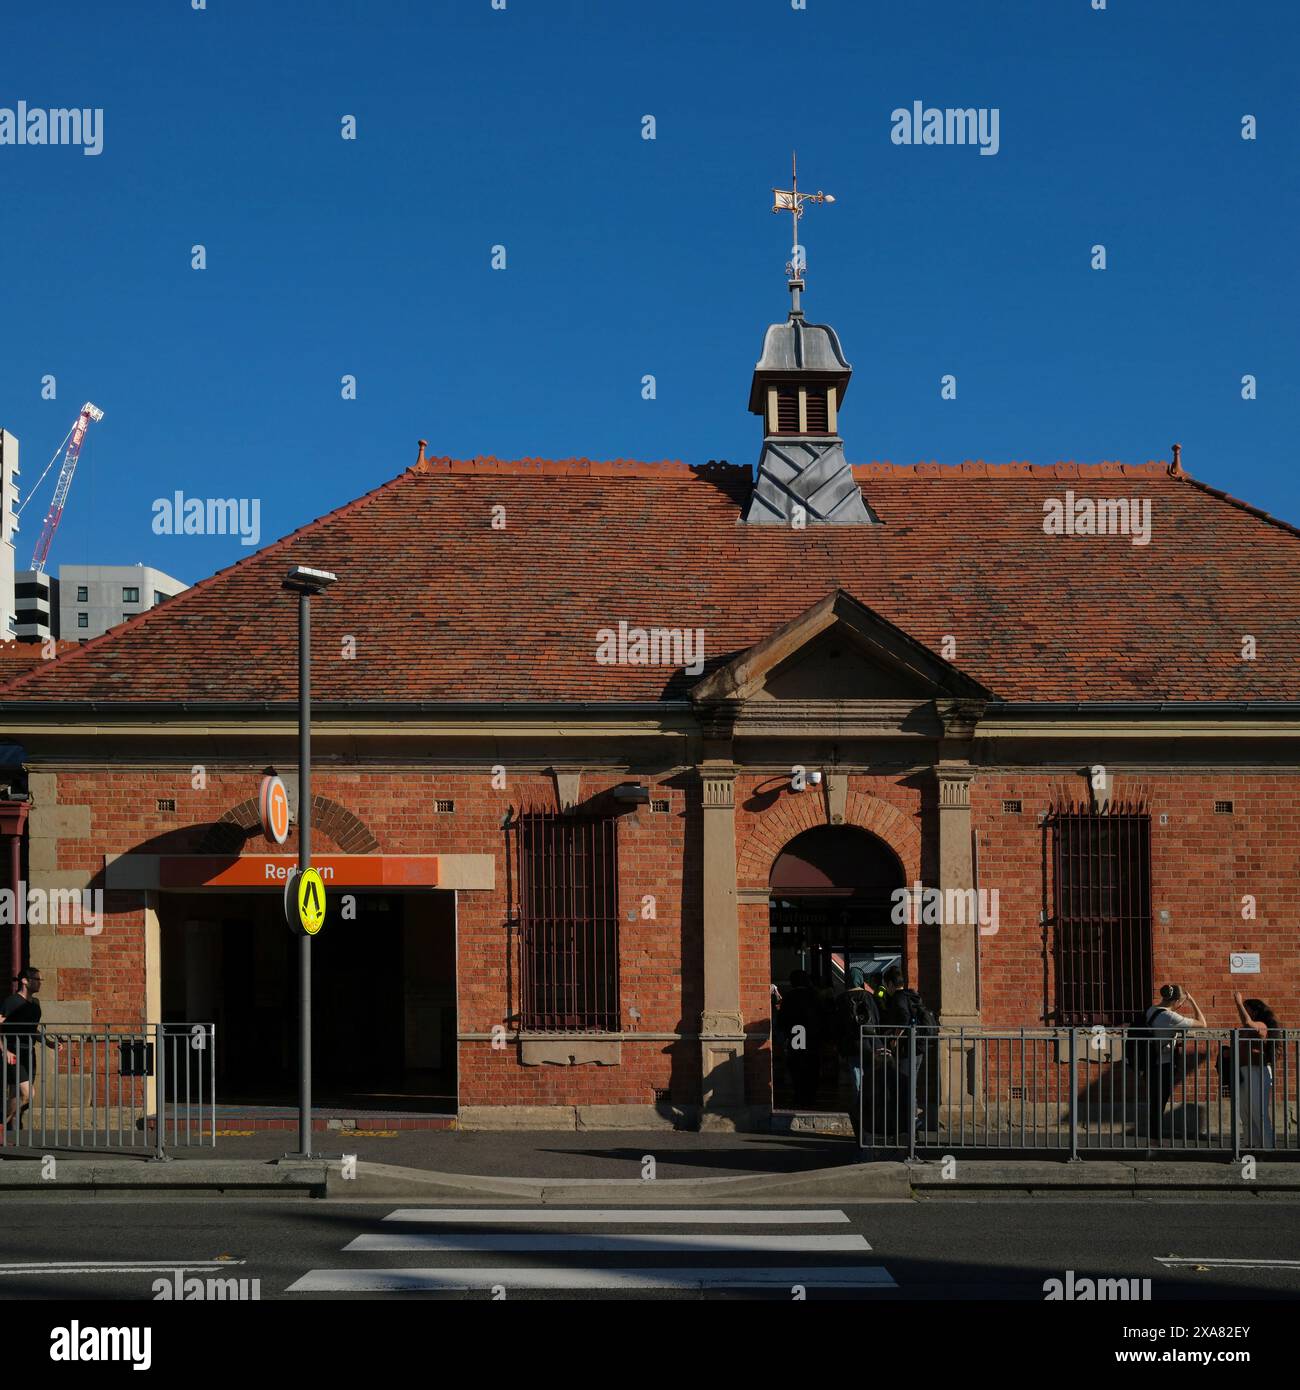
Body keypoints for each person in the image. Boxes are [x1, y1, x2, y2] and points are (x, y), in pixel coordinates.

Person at [1139, 983, 1207, 1144]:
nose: (1181, 1006)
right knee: (1159, 1102)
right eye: (1181, 1003)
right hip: (1164, 1063)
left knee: (1155, 1101)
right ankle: (1154, 1141)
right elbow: (1202, 1023)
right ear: (1177, 1001)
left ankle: (1154, 1139)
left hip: (1149, 1062)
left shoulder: (1151, 1010)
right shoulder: (1170, 1017)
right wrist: (1192, 1001)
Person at [1, 966, 60, 1140]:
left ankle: (2, 1134)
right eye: (36, 979)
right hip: (13, 1053)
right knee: (27, 1094)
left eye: (41, 979)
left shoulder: (35, 1004)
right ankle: (1, 1124)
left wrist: (48, 1042)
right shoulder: (11, 1002)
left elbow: (32, 1029)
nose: (40, 983)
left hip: (29, 1053)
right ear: (25, 981)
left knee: (16, 1094)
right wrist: (5, 1051)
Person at [879, 965, 935, 1140]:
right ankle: (912, 1127)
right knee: (910, 1086)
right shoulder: (912, 995)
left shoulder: (898, 998)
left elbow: (903, 1018)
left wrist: (896, 1037)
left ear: (889, 984)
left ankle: (909, 1129)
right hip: (918, 1049)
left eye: (885, 985)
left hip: (907, 1050)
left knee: (905, 1088)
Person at [835, 966, 881, 1140]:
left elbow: (837, 1025)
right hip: (869, 1044)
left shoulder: (841, 999)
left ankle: (860, 1109)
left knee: (857, 1079)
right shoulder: (869, 997)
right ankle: (871, 1108)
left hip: (851, 1046)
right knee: (871, 1077)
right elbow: (876, 1020)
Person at [1233, 993, 1280, 1149]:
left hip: (1257, 1071)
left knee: (1258, 1110)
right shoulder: (1245, 1030)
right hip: (1243, 1071)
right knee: (1245, 1111)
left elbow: (1247, 1022)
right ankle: (1251, 1143)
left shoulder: (1261, 1025)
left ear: (1253, 1011)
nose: (1243, 1013)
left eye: (1247, 1010)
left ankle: (1268, 1146)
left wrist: (1239, 1003)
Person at [776, 969, 824, 1109]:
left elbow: (782, 1019)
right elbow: (822, 1017)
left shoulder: (790, 997)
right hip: (812, 1039)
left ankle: (799, 1095)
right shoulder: (814, 996)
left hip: (796, 1038)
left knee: (797, 1068)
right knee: (812, 1067)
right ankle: (811, 1096)